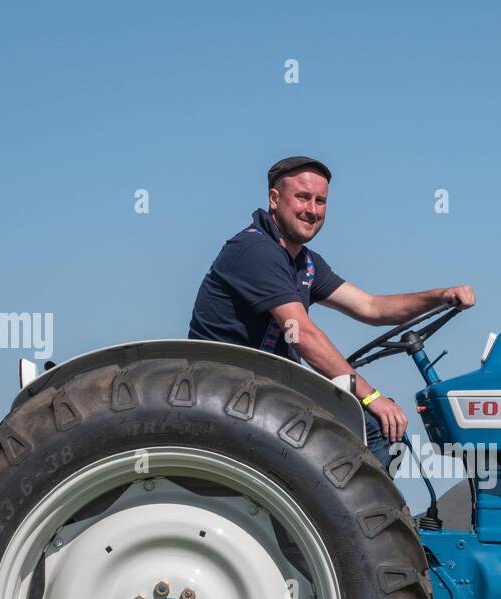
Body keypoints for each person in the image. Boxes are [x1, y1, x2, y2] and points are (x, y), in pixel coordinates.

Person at [189, 156, 474, 469]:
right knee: (375, 426)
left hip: (264, 387)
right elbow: (303, 335)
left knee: (380, 422)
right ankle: (356, 519)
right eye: (302, 197)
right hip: (227, 389)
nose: (312, 210)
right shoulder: (256, 251)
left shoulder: (305, 262)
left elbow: (372, 307)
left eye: (320, 201)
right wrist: (370, 397)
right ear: (274, 199)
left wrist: (440, 296)